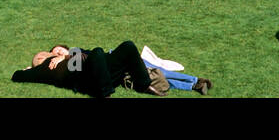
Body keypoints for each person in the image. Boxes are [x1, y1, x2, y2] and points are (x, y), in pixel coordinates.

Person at [11, 41, 168, 97]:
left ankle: (144, 85)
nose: (57, 52)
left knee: (128, 46)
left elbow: (89, 55)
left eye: (60, 50)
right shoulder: (48, 66)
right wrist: (26, 71)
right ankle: (105, 94)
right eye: (53, 52)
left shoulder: (76, 52)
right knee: (98, 52)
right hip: (89, 80)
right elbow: (16, 75)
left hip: (105, 70)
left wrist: (67, 56)